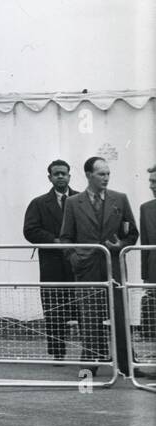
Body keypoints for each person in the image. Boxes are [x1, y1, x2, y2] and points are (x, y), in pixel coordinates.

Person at [58, 156, 138, 368]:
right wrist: (75, 257)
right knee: (90, 314)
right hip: (87, 266)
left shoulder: (119, 199)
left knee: (120, 312)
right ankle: (90, 361)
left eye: (108, 173)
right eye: (101, 174)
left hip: (114, 265)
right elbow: (65, 237)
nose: (106, 178)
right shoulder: (73, 203)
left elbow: (133, 234)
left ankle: (125, 363)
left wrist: (120, 245)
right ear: (88, 175)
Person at [23, 159, 79, 359]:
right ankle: (57, 353)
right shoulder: (38, 203)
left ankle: (92, 352)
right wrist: (54, 241)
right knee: (54, 307)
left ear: (70, 176)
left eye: (64, 173)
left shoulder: (82, 200)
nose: (61, 176)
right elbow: (30, 230)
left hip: (78, 263)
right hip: (52, 264)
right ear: (50, 177)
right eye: (57, 174)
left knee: (84, 306)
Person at [137, 165, 156, 338]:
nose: (152, 186)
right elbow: (145, 244)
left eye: (155, 182)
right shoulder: (146, 208)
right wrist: (145, 275)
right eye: (150, 181)